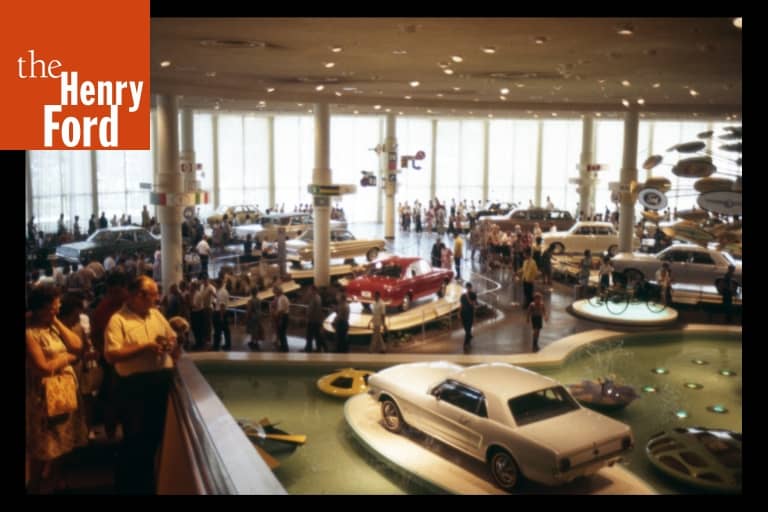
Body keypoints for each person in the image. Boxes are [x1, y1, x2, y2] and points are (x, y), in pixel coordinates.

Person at [104, 275, 180, 494]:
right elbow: (112, 355)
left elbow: (172, 337)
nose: (157, 298)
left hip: (160, 383)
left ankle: (149, 483)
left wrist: (170, 345)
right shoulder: (118, 320)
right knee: (135, 440)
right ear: (138, 296)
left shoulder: (156, 315)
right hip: (134, 389)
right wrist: (145, 347)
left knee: (155, 438)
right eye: (153, 294)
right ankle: (131, 486)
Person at [26, 285, 88, 493]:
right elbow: (42, 367)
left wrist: (56, 322)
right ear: (44, 306)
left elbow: (78, 345)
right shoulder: (30, 333)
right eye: (55, 303)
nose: (59, 305)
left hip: (64, 391)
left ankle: (54, 483)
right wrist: (66, 359)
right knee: (43, 446)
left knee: (62, 441)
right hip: (42, 396)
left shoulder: (52, 326)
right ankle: (34, 485)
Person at [303, 284, 327, 352]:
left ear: (313, 290)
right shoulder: (317, 297)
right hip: (315, 320)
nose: (308, 291)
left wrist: (307, 315)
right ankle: (319, 348)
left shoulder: (315, 298)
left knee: (311, 335)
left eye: (309, 290)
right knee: (316, 335)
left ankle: (310, 348)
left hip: (313, 320)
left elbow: (311, 310)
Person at [460, 282, 478, 350]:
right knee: (466, 328)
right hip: (465, 313)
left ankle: (465, 343)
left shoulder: (472, 295)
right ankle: (469, 336)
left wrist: (468, 297)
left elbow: (473, 304)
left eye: (468, 287)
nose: (467, 289)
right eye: (467, 287)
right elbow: (462, 304)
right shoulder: (463, 295)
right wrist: (459, 313)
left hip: (468, 313)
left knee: (468, 328)